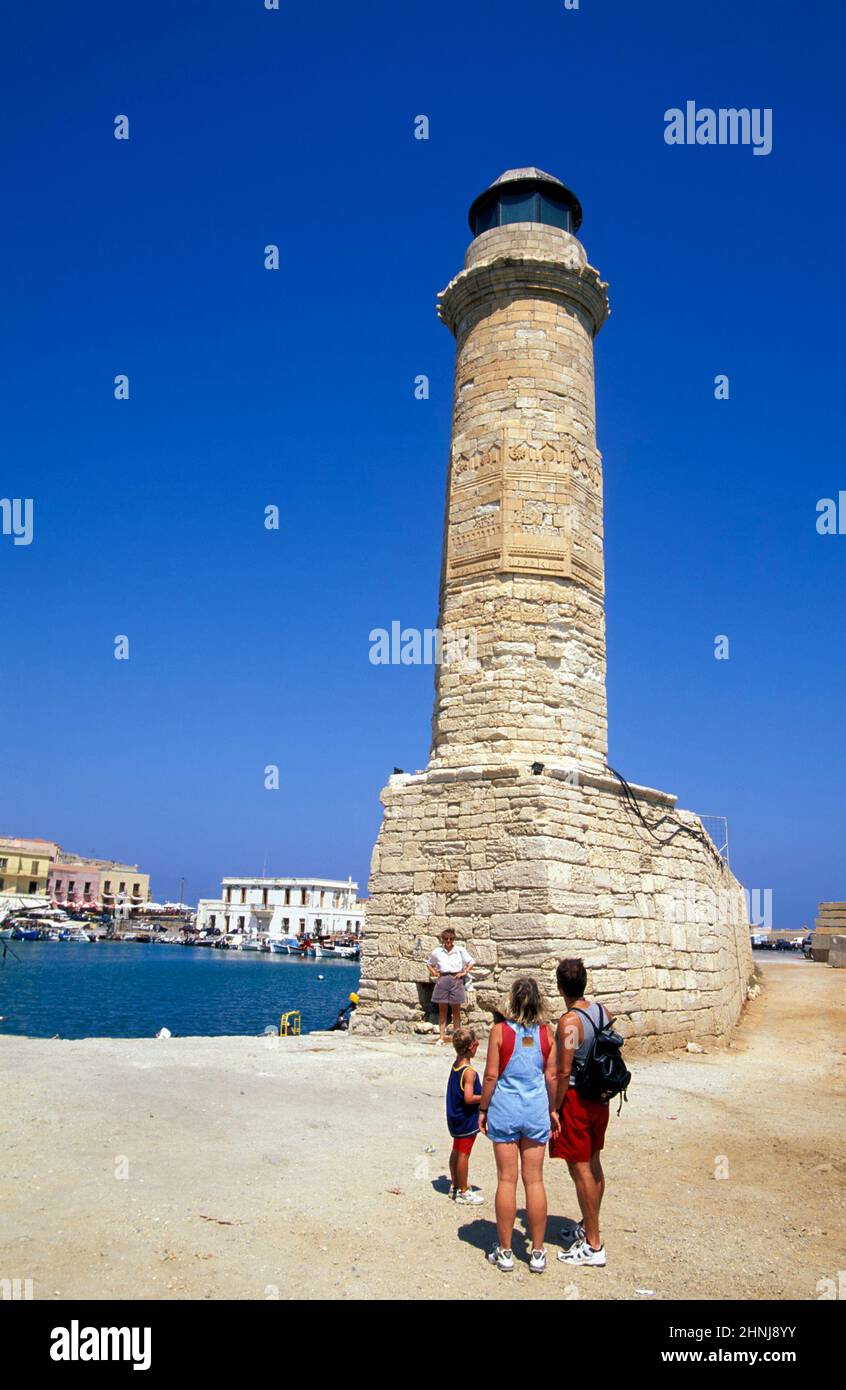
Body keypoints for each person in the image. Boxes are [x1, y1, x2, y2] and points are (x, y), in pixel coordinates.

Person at [478, 977, 559, 1274]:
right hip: (536, 1110)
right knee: (534, 1181)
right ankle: (537, 1252)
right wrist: (553, 1110)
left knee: (506, 1181)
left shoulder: (499, 1032)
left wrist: (483, 1109)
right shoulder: (546, 1033)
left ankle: (506, 1251)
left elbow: (490, 1076)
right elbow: (551, 1077)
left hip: (506, 1109)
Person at [550, 957, 612, 1267]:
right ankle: (589, 1227)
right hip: (601, 1100)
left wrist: (555, 1107)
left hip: (577, 1100)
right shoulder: (603, 1011)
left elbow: (563, 1070)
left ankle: (594, 1245)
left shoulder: (569, 1022)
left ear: (559, 986)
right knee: (594, 1162)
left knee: (580, 1169)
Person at [446, 1027, 484, 1205]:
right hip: (466, 1119)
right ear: (471, 1046)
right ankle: (464, 1190)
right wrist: (486, 1097)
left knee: (456, 1150)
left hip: (455, 1117)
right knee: (464, 1154)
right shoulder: (469, 1072)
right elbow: (469, 1097)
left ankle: (455, 1184)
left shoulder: (456, 1065)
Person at [427, 930, 475, 1045]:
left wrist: (464, 973)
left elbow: (471, 962)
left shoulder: (460, 950)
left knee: (456, 1011)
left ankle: (457, 1038)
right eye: (446, 939)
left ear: (454, 939)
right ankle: (441, 1037)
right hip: (443, 980)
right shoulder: (437, 952)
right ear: (442, 939)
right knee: (442, 1010)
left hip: (456, 980)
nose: (448, 941)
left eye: (451, 939)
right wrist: (434, 972)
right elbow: (429, 963)